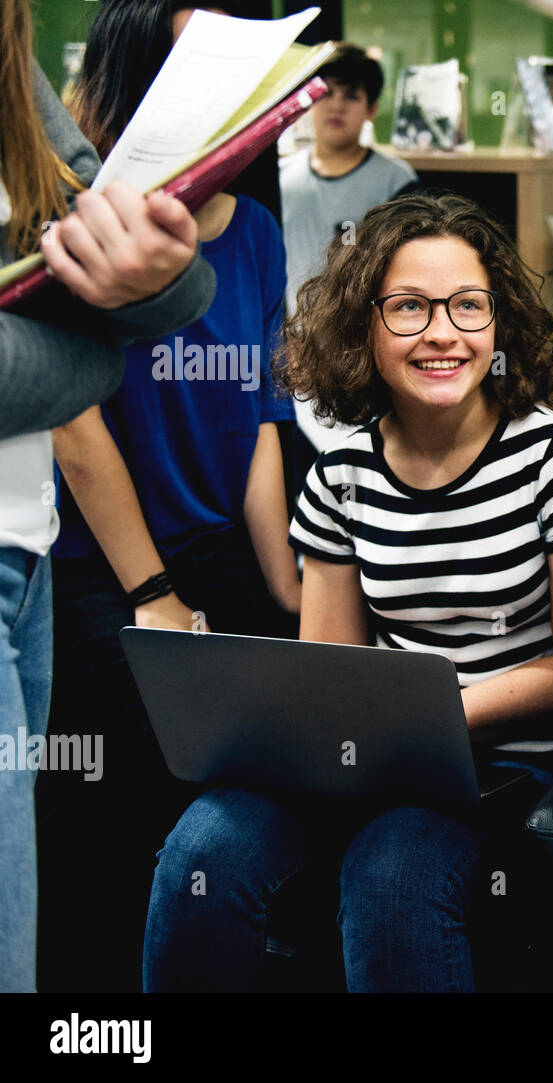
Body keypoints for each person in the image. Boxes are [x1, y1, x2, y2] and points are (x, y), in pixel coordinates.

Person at [142, 191, 553, 992]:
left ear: (498, 321)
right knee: (203, 850)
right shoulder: (339, 479)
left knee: (392, 872)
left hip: (508, 765)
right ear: (363, 326)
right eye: (408, 307)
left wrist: (435, 718)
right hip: (368, 756)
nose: (442, 332)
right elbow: (329, 666)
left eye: (468, 306)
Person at [36, 0, 300, 992]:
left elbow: (263, 419)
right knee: (103, 816)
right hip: (99, 563)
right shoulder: (76, 217)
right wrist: (151, 592)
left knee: (224, 817)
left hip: (211, 551)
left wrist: (280, 585)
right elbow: (74, 420)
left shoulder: (259, 231)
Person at [0, 0, 212, 993]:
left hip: (23, 546)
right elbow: (91, 383)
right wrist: (101, 341)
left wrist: (146, 289)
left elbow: (168, 297)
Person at [279, 44, 418, 464]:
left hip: (365, 361)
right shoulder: (280, 180)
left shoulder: (397, 183)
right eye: (326, 92)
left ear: (371, 108)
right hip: (294, 359)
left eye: (351, 95)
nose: (336, 105)